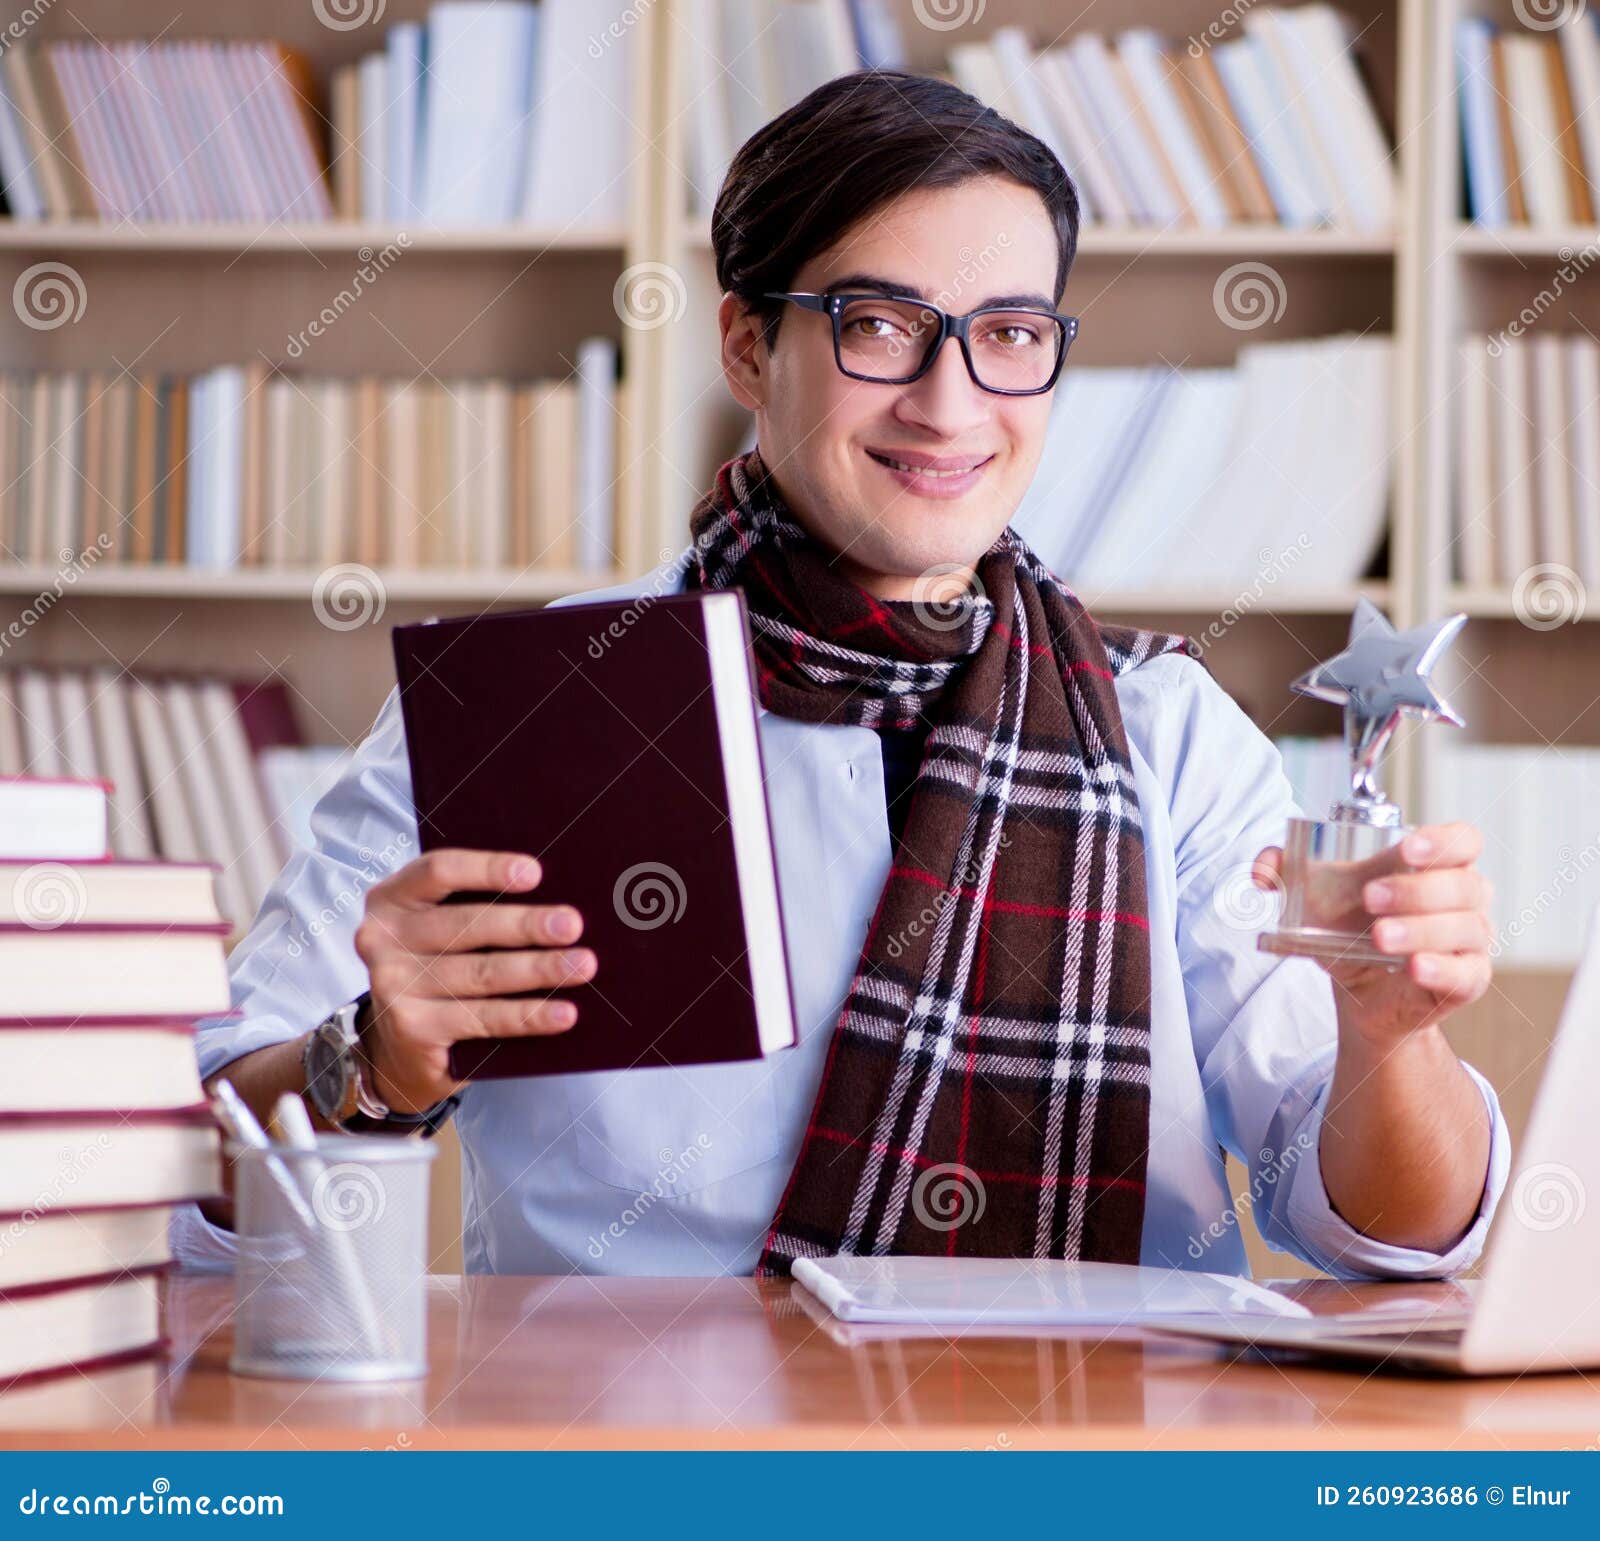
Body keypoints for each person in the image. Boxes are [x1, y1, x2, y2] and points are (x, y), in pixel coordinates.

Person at [176, 70, 1507, 1278]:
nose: (949, 402)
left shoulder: (1166, 732)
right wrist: (376, 1059)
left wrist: (1391, 1039)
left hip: (1090, 1448)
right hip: (634, 1455)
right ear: (749, 345)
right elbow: (194, 1192)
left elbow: (1396, 1239)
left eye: (1011, 334)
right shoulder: (547, 698)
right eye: (881, 324)